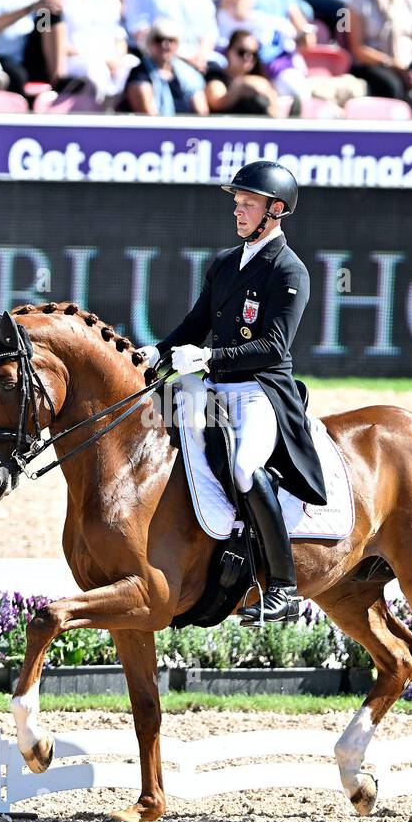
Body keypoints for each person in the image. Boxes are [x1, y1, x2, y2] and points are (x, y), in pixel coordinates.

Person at [136, 161, 326, 625]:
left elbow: (273, 346)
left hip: (260, 391)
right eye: (237, 203)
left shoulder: (289, 270)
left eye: (248, 204)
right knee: (153, 423)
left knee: (244, 467)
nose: (237, 211)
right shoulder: (224, 264)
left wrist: (208, 360)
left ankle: (283, 585)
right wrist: (155, 352)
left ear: (275, 211)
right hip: (216, 386)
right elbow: (196, 325)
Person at [44, 0, 136, 103]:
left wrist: (116, 59)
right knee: (95, 70)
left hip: (110, 62)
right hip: (74, 63)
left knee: (133, 65)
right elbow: (44, 34)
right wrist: (97, 57)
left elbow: (119, 36)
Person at [122, 0, 218, 71]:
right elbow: (139, 31)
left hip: (201, 61)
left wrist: (201, 56)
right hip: (162, 63)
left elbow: (209, 28)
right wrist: (184, 57)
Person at [124, 16, 208, 113]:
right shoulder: (139, 75)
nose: (165, 45)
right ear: (149, 43)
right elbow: (149, 118)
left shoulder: (188, 76)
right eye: (159, 40)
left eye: (171, 40)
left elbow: (202, 112)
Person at [205, 26, 287, 114]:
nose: (248, 58)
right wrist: (241, 86)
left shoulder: (259, 78)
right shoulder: (217, 76)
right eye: (242, 52)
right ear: (228, 51)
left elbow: (276, 109)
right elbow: (217, 103)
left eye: (254, 54)